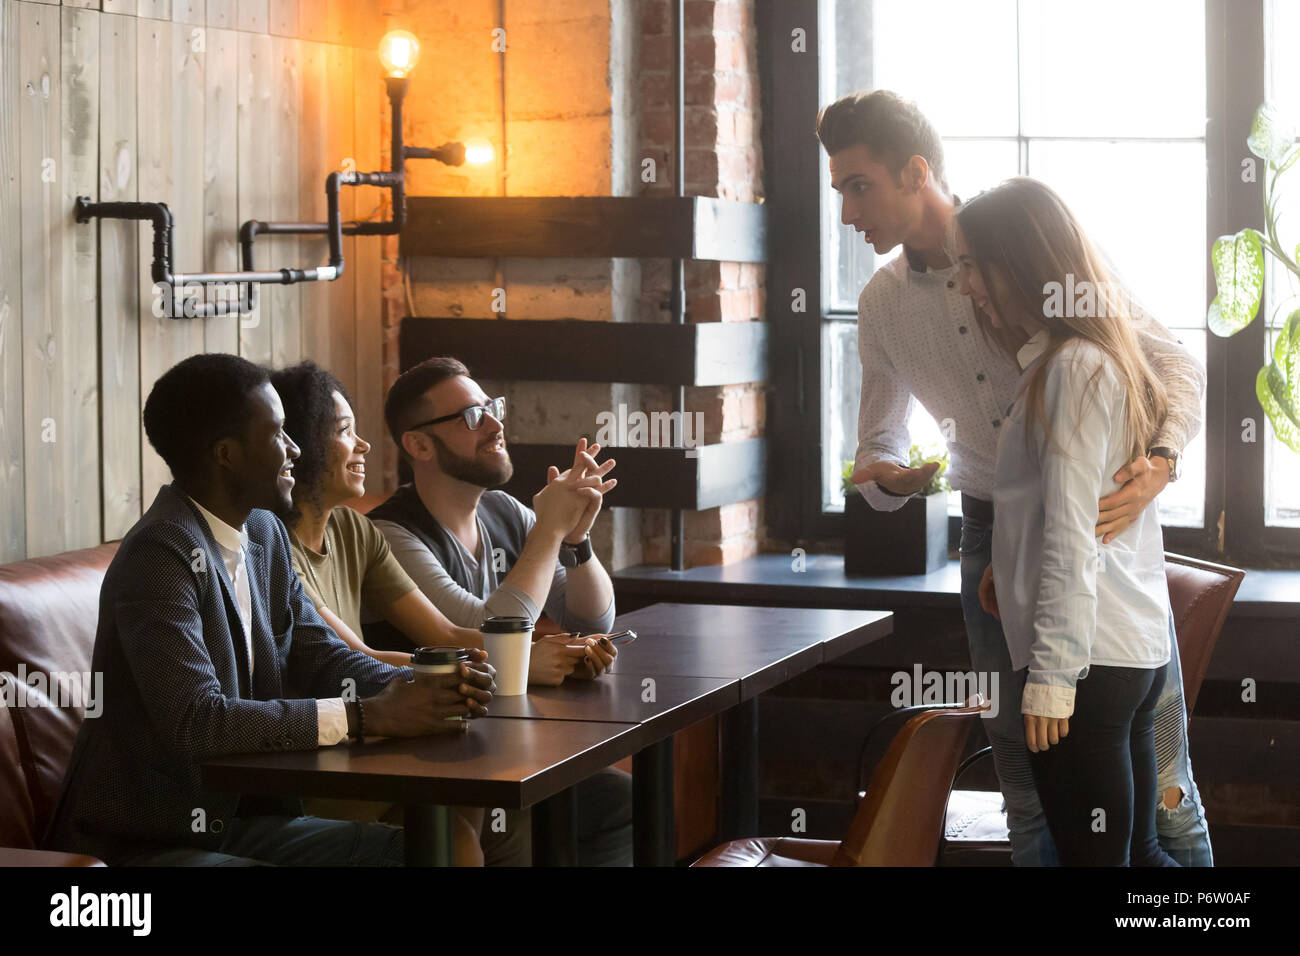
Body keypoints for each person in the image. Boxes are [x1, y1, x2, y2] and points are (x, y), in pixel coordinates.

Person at [816, 89, 1212, 865]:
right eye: (837, 192)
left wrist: (1160, 463)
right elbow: (877, 449)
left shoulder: (1022, 247)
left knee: (1165, 786)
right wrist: (890, 479)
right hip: (993, 536)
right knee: (1023, 777)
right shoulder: (882, 304)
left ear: (916, 172)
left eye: (857, 186)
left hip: (1096, 532)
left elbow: (1172, 363)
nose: (846, 213)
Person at [45, 353, 495, 866]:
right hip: (150, 840)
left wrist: (425, 691)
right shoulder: (162, 554)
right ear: (227, 455)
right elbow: (198, 721)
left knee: (450, 849)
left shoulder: (262, 531)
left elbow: (320, 655)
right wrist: (366, 715)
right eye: (278, 433)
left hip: (249, 821)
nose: (295, 449)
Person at [269, 359, 605, 865]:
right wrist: (513, 661)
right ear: (296, 445)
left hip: (387, 745)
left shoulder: (353, 531)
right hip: (322, 760)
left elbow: (447, 632)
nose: (364, 446)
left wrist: (536, 650)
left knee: (510, 814)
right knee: (461, 832)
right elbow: (356, 657)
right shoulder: (274, 545)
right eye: (344, 432)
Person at [955, 176, 1181, 865]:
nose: (965, 287)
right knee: (1138, 859)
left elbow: (1073, 533)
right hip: (1122, 658)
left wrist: (1052, 681)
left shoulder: (1071, 370)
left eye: (971, 265)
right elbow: (1055, 512)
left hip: (1085, 669)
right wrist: (1009, 568)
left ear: (1018, 264)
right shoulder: (1078, 362)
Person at [367, 356, 633, 866]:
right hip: (430, 764)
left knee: (618, 800)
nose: (495, 424)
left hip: (501, 746)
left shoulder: (503, 510)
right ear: (419, 445)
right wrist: (550, 532)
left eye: (493, 408)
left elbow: (593, 620)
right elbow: (480, 629)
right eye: (472, 416)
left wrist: (575, 540)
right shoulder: (391, 535)